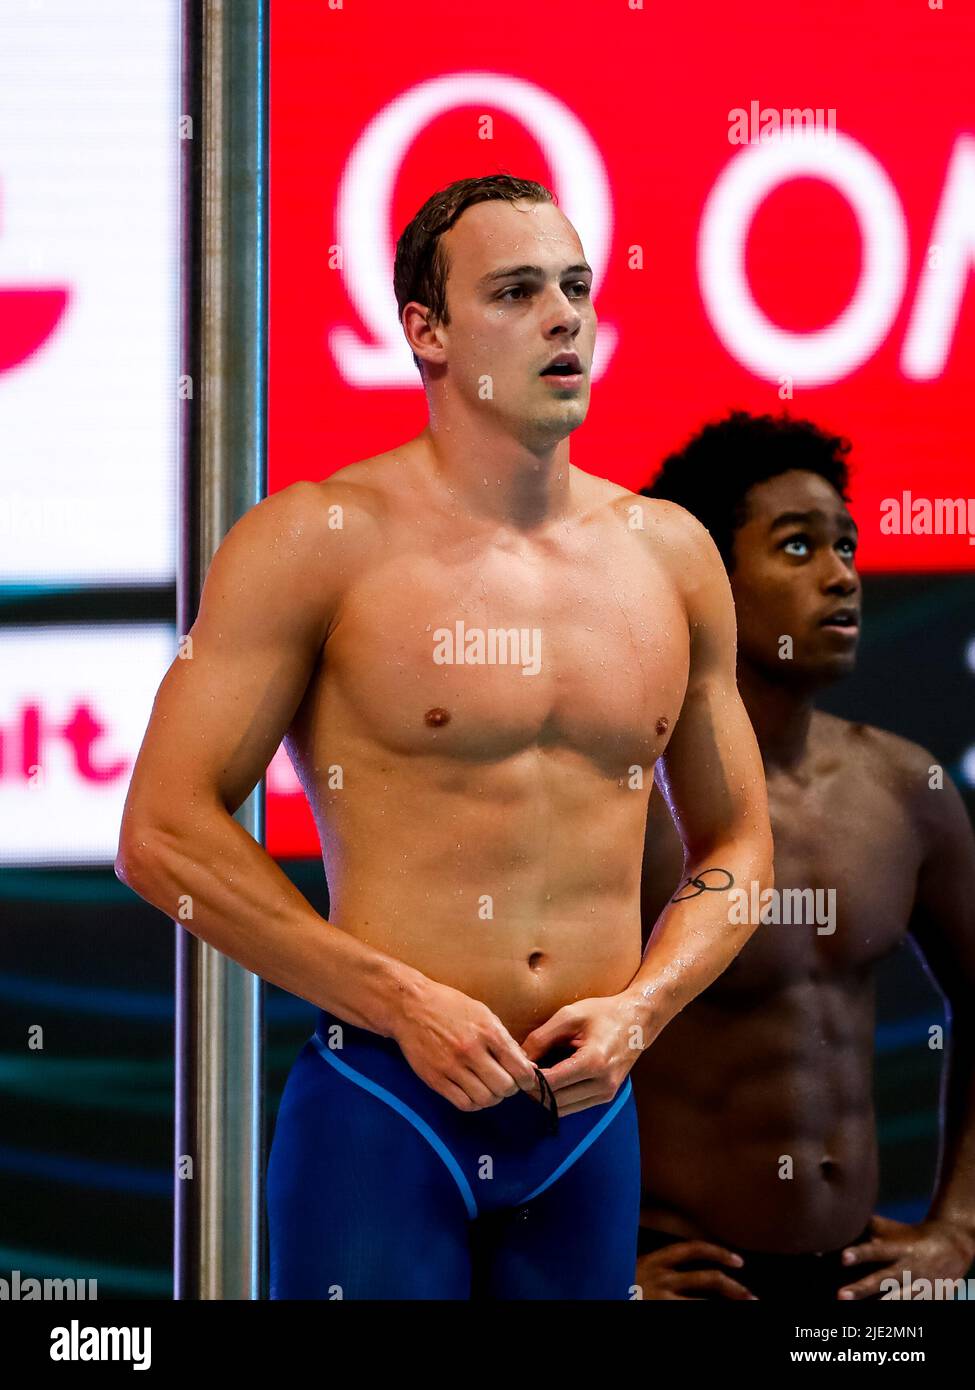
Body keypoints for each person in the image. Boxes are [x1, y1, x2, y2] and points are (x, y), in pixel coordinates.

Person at [115, 176, 772, 1300]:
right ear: (424, 331)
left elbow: (743, 844)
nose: (565, 317)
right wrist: (396, 999)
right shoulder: (318, 541)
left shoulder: (669, 557)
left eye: (576, 287)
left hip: (585, 1121)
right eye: (517, 292)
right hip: (383, 1109)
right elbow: (161, 833)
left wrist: (642, 1007)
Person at [634, 411, 975, 1301]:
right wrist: (594, 1269)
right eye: (797, 549)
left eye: (846, 547)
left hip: (853, 1283)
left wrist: (959, 1229)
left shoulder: (905, 789)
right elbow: (513, 1040)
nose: (842, 578)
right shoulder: (623, 801)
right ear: (706, 583)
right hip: (684, 1276)